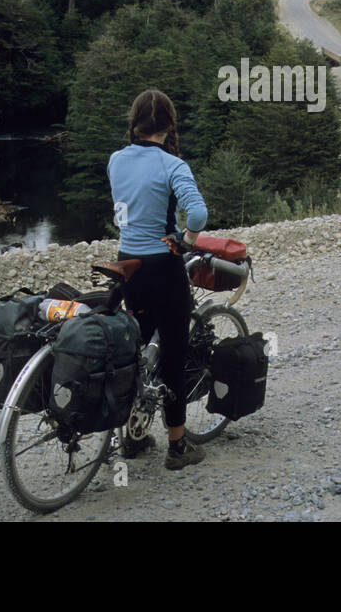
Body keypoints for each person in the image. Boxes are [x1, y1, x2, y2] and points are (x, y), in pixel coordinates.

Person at [107, 88, 209, 470]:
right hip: (162, 267)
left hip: (127, 265)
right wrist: (184, 240)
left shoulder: (115, 160)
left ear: (134, 123)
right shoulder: (172, 165)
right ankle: (178, 447)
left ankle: (132, 436)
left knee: (137, 350)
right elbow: (197, 213)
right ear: (168, 125)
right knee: (173, 355)